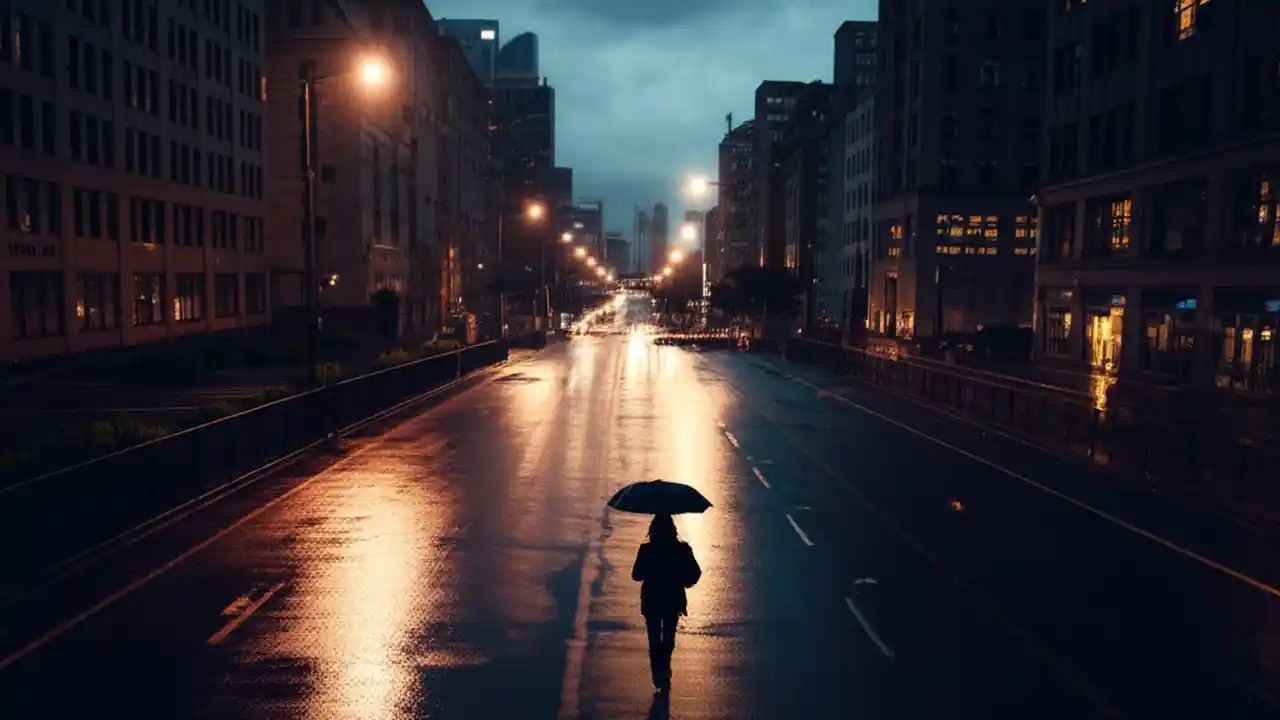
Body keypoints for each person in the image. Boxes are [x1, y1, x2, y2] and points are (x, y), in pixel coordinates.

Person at [631, 513, 701, 695]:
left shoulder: (646, 550)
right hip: (672, 600)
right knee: (668, 638)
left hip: (652, 601)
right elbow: (694, 573)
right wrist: (684, 580)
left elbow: (636, 575)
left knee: (654, 640)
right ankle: (665, 669)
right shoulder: (682, 550)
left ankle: (658, 674)